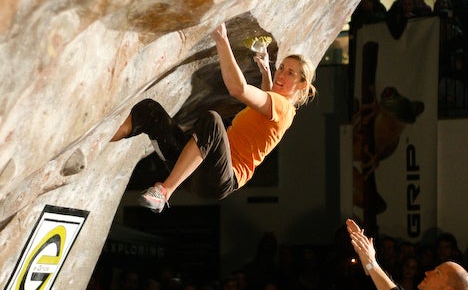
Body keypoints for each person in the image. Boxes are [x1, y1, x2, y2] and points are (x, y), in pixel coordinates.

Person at [111, 23, 316, 212]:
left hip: (219, 178)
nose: (281, 75)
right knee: (150, 111)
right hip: (195, 169)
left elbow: (238, 89)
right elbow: (265, 102)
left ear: (301, 85)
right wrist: (265, 72)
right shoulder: (275, 108)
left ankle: (164, 192)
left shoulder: (284, 108)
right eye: (281, 68)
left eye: (290, 73)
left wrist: (222, 39)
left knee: (213, 121)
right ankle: (102, 139)